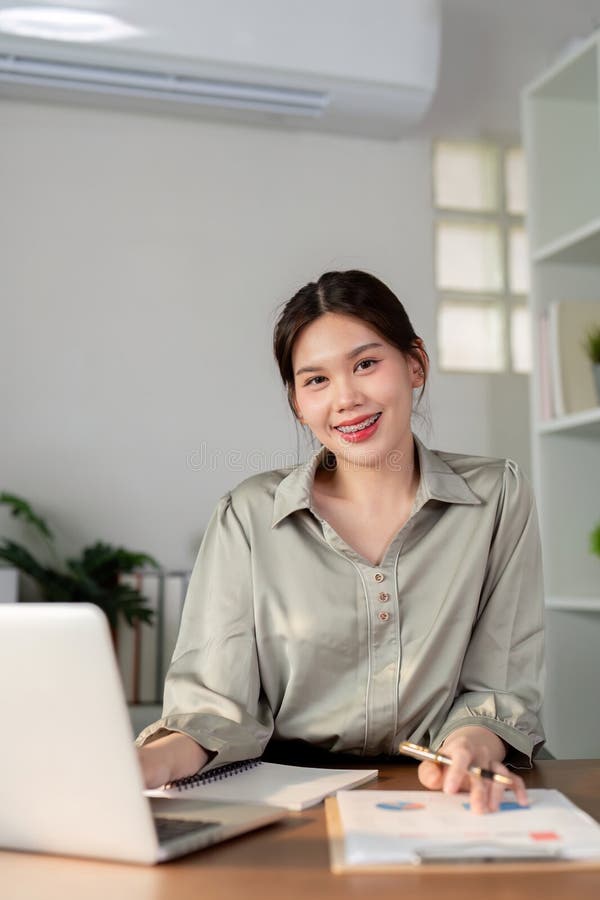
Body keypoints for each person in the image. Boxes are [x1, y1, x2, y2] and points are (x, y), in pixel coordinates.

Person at [136, 270, 544, 815]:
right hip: (288, 801)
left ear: (415, 364)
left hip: (445, 792)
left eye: (366, 364)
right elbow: (214, 711)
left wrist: (472, 745)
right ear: (296, 402)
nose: (346, 398)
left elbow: (500, 681)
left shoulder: (496, 496)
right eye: (316, 380)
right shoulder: (249, 515)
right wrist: (149, 764)